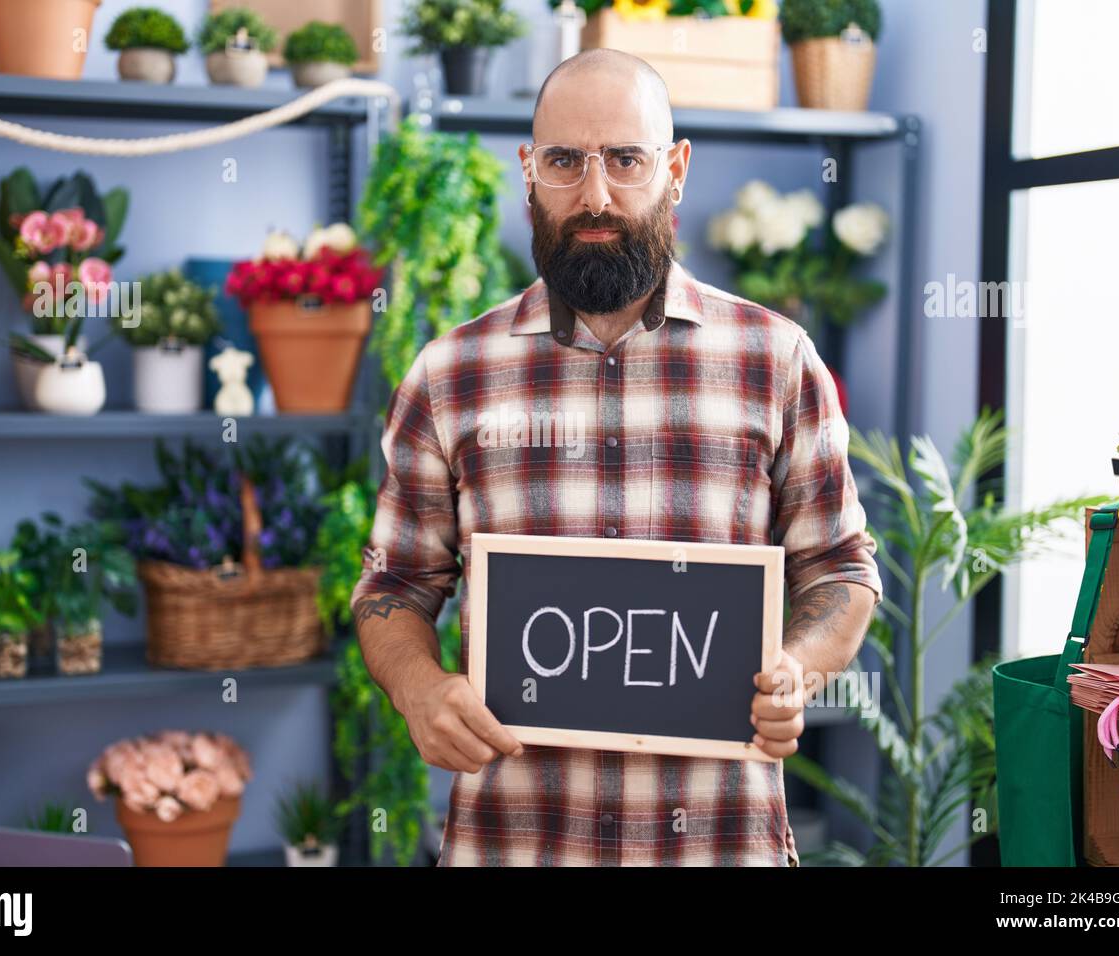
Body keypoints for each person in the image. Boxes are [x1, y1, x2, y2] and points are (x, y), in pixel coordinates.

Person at [350, 48, 883, 866]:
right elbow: (394, 582)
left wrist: (796, 668)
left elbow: (842, 567)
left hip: (717, 842)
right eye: (565, 161)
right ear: (528, 171)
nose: (595, 195)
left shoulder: (776, 361)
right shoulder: (448, 374)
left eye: (626, 159)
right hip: (514, 842)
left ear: (675, 169)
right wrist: (419, 689)